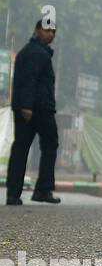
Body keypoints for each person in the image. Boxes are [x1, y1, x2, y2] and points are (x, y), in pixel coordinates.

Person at [6, 18, 61, 205]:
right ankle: (43, 190)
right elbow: (29, 80)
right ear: (37, 30)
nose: (51, 34)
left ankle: (13, 194)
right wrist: (27, 106)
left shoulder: (28, 51)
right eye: (47, 30)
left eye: (53, 31)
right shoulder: (37, 53)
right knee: (50, 145)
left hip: (26, 107)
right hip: (38, 109)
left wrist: (24, 105)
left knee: (20, 149)